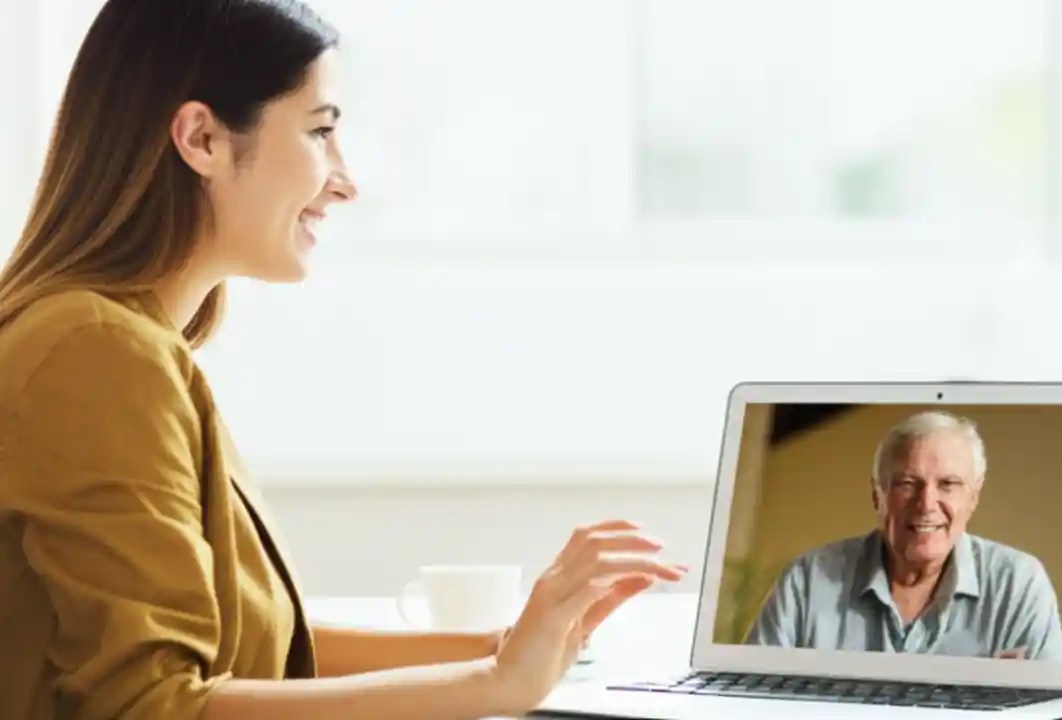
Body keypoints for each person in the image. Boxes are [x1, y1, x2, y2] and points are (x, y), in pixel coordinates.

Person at [0, 2, 686, 719]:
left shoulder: (119, 343)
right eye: (321, 132)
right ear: (201, 138)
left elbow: (261, 649)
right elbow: (154, 706)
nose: (345, 179)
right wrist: (495, 686)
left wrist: (503, 648)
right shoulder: (93, 352)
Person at [745, 411, 1062, 661]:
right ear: (878, 495)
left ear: (974, 497)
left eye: (948, 484)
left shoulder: (1018, 584)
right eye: (907, 484)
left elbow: (1051, 711)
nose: (926, 504)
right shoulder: (808, 580)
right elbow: (749, 702)